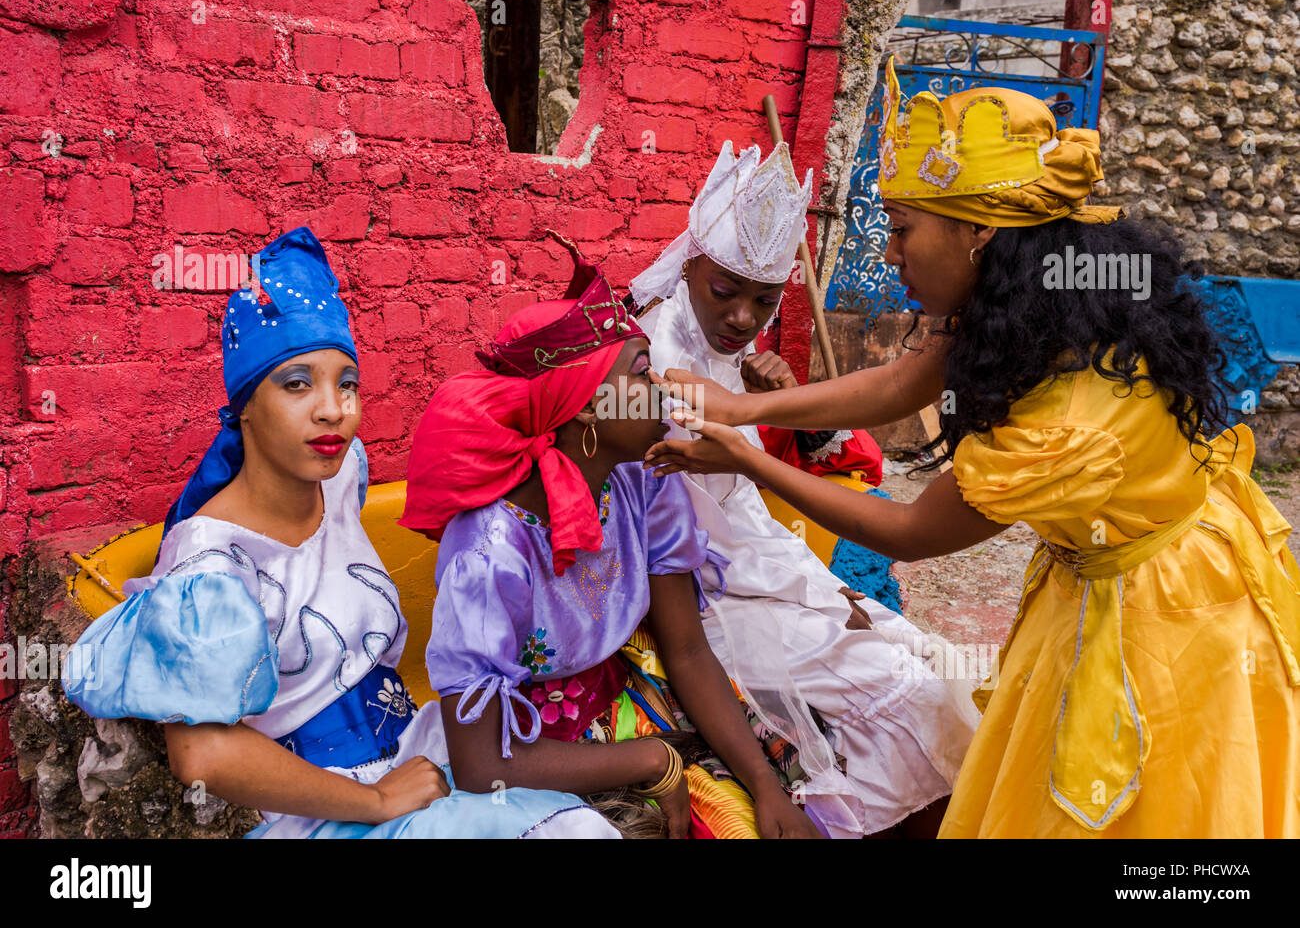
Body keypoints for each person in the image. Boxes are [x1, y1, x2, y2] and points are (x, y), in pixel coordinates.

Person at [645, 58, 1300, 837]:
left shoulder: (1070, 423)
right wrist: (744, 404)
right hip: (1096, 573)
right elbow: (901, 382)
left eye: (901, 229)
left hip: (1166, 613)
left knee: (1138, 801)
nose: (889, 254)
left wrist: (749, 454)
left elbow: (911, 531)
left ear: (980, 232)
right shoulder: (1027, 298)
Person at [62, 227, 616, 839]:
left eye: (346, 383)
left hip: (417, 748)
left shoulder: (341, 478)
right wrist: (377, 800)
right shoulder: (209, 567)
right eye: (298, 384)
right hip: (332, 810)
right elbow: (203, 756)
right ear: (244, 403)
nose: (334, 409)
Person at [399, 233, 821, 838]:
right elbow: (481, 763)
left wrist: (763, 785)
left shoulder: (645, 482)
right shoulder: (490, 553)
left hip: (627, 703)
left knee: (785, 787)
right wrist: (652, 761)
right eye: (644, 372)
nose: (667, 388)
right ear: (590, 408)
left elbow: (686, 649)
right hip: (533, 754)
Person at [628, 140, 980, 838]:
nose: (741, 319)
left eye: (764, 300)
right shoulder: (646, 365)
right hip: (707, 583)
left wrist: (769, 408)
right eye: (724, 292)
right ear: (689, 263)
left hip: (767, 559)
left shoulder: (738, 366)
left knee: (934, 673)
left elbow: (839, 476)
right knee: (908, 694)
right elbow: (680, 532)